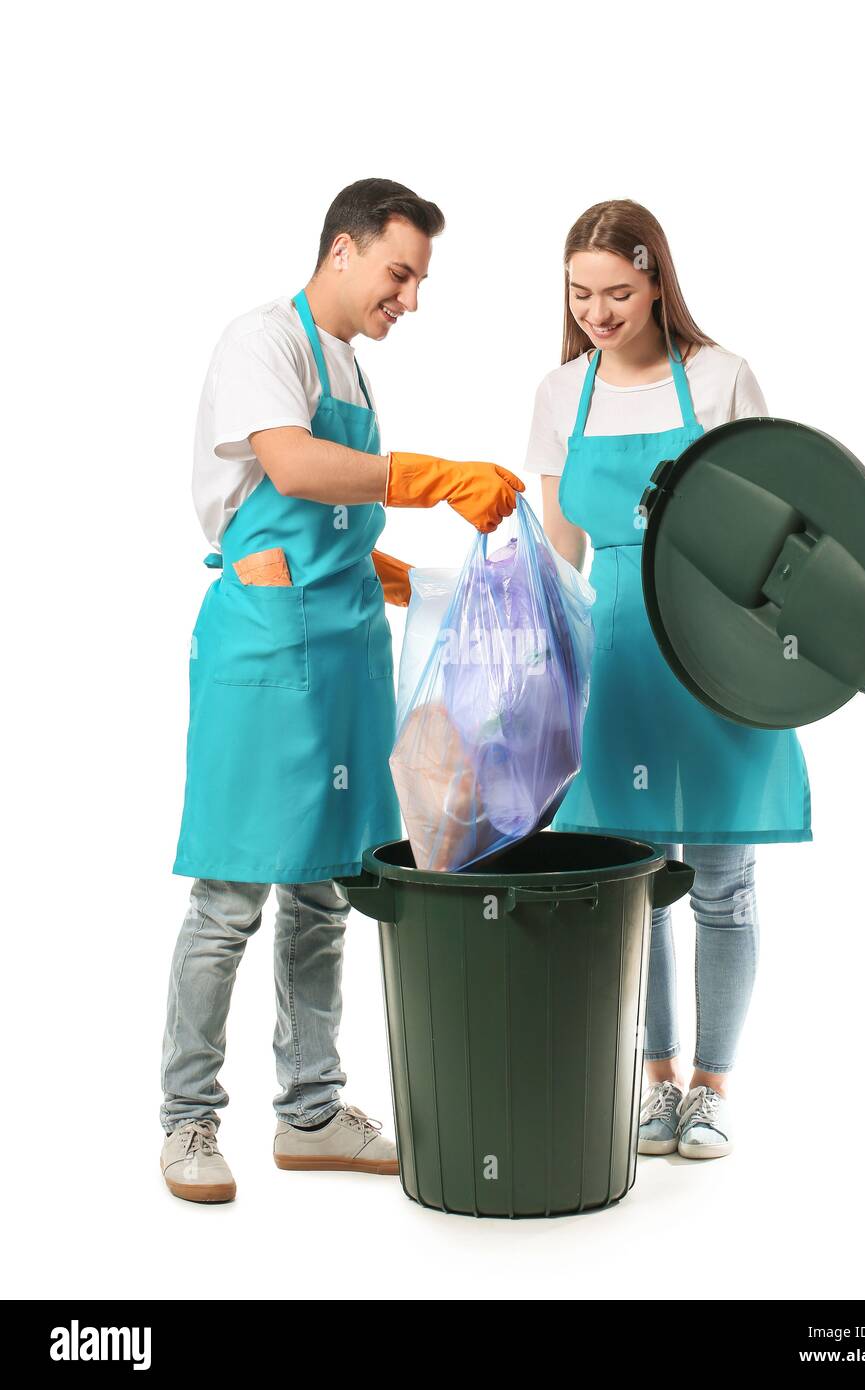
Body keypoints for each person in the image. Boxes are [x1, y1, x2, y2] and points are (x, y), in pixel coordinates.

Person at [161, 178, 524, 1203]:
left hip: (345, 647)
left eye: (417, 279)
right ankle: (188, 1119)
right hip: (269, 650)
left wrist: (396, 573)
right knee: (230, 893)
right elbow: (296, 467)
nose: (409, 296)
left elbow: (338, 518)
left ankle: (311, 1112)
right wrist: (437, 475)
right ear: (343, 251)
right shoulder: (260, 341)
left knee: (323, 890)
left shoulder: (353, 373)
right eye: (399, 272)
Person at [524, 199, 810, 1160]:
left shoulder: (721, 378)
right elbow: (559, 548)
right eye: (579, 294)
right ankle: (652, 1082)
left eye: (616, 291)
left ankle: (712, 1085)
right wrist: (539, 661)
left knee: (723, 881)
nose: (597, 311)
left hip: (716, 654)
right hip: (616, 667)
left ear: (657, 282)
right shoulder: (562, 393)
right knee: (633, 884)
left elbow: (777, 529)